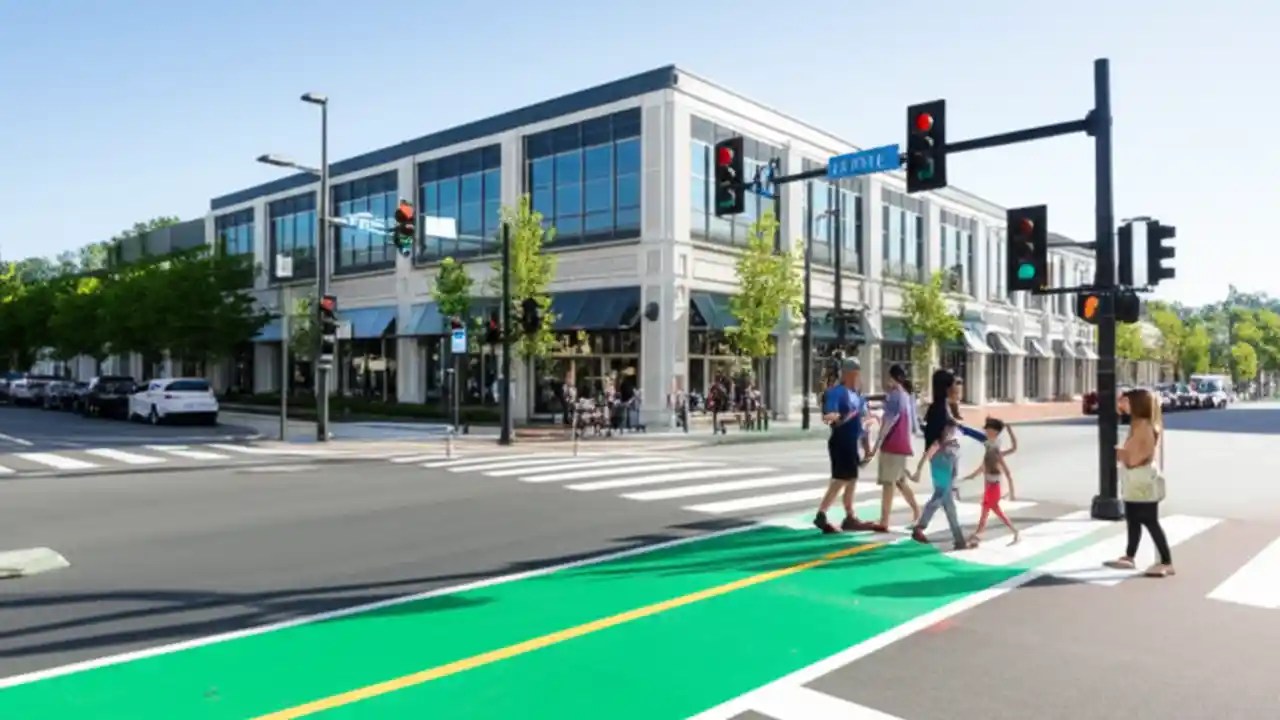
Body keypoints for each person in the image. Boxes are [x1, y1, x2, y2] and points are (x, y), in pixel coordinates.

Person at [1104, 388, 1174, 577]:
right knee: (1134, 519)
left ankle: (1166, 562)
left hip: (1140, 478)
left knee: (1149, 520)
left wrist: (1119, 453)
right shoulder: (1141, 423)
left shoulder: (1143, 426)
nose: (1122, 404)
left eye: (1126, 401)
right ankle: (1130, 556)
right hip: (1139, 477)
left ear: (1136, 404)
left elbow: (1134, 458)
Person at [813, 357, 874, 534]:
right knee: (841, 479)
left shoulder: (858, 397)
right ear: (848, 374)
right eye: (855, 373)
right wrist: (839, 417)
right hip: (840, 440)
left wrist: (867, 448)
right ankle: (822, 514)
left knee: (851, 478)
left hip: (852, 442)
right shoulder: (836, 393)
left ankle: (849, 517)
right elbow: (828, 416)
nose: (858, 377)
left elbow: (863, 424)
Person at [865, 364, 920, 531]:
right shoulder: (906, 395)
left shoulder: (895, 396)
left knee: (889, 483)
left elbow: (889, 421)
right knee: (900, 481)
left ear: (892, 378)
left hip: (893, 445)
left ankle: (884, 521)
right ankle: (917, 512)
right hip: (903, 444)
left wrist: (877, 444)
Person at [906, 417, 967, 550]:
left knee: (946, 506)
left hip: (946, 480)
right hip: (942, 478)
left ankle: (958, 540)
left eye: (952, 429)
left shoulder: (953, 444)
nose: (950, 431)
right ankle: (959, 540)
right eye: (949, 428)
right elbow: (927, 455)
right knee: (943, 504)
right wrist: (918, 471)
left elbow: (954, 467)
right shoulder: (940, 443)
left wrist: (954, 484)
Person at [962, 418, 1020, 547]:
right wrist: (973, 475)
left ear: (994, 431)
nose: (985, 431)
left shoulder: (996, 448)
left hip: (994, 486)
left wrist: (1010, 431)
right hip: (988, 484)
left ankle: (1012, 532)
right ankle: (979, 534)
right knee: (986, 510)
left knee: (992, 509)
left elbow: (1012, 452)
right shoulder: (989, 446)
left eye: (988, 429)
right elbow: (984, 465)